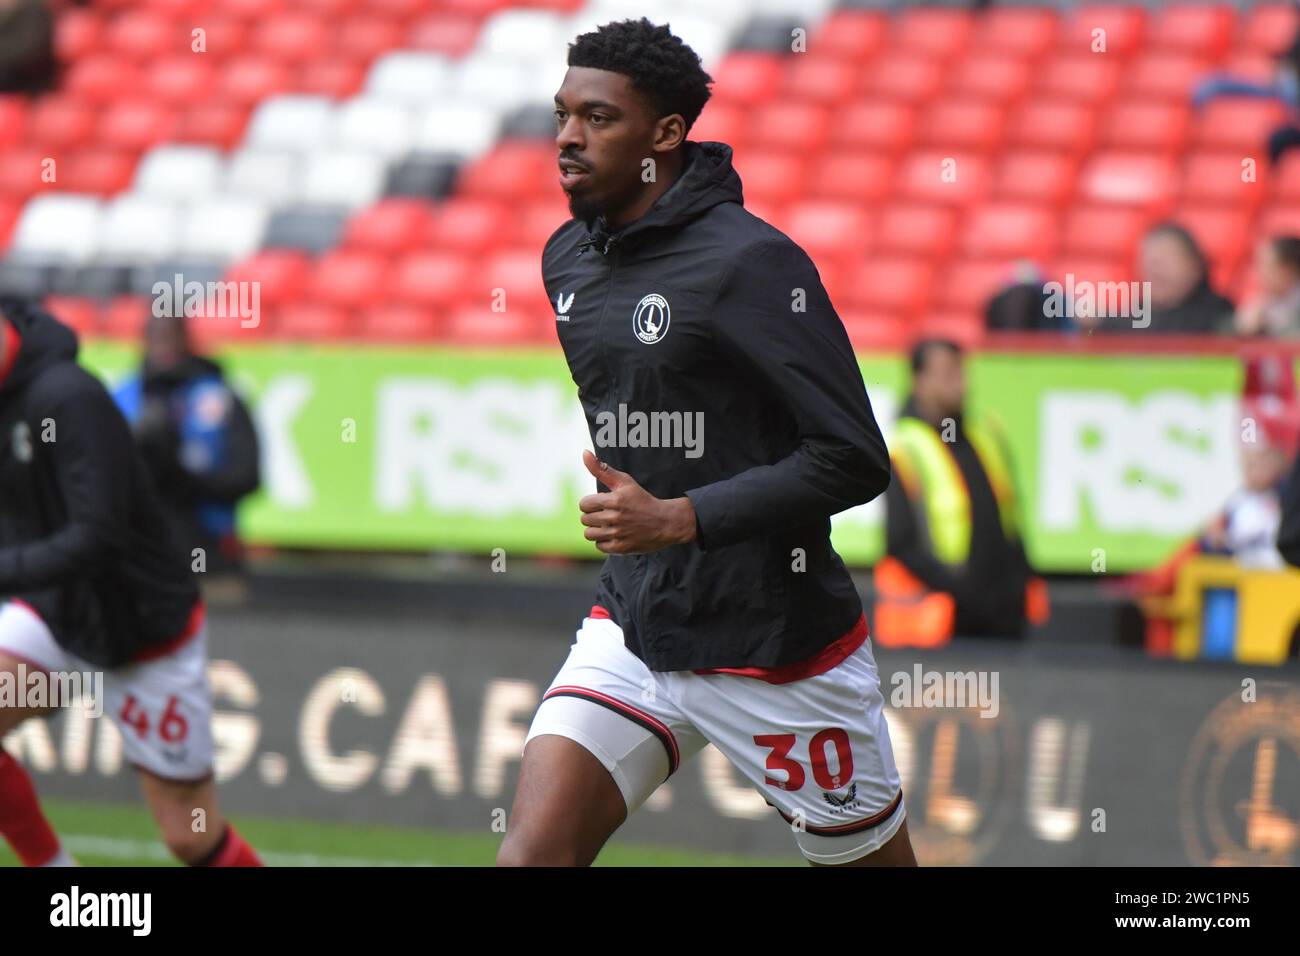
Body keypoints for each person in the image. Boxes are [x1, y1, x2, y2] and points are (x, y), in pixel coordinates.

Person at [499, 18, 913, 867]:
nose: (568, 138)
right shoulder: (567, 258)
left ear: (666, 134)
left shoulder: (752, 265)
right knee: (530, 859)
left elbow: (853, 457)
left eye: (599, 118)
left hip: (773, 649)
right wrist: (654, 538)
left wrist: (682, 518)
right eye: (563, 113)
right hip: (637, 623)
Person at [0, 296, 260, 867]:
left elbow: (97, 537)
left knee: (190, 836)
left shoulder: (67, 397)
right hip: (57, 616)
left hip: (141, 630)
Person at [875, 339, 1045, 646]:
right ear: (920, 381)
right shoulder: (905, 449)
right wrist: (963, 591)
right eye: (947, 372)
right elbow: (900, 543)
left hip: (1004, 619)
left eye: (961, 372)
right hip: (946, 623)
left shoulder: (986, 438)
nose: (960, 382)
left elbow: (1011, 523)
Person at [112, 312, 260, 581]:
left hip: (208, 546)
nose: (162, 346)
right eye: (155, 337)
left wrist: (184, 478)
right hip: (136, 551)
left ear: (186, 339)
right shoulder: (123, 398)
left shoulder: (220, 399)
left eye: (170, 336)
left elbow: (247, 476)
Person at [1100, 223, 1234, 335]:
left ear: (1194, 266)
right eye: (1148, 260)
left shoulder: (1219, 317)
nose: (1155, 269)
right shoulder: (1122, 324)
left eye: (1167, 257)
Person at [1234, 236, 1300, 338]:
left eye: (1266, 266)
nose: (1259, 274)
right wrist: (1242, 328)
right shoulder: (1262, 304)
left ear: (1289, 270)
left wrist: (1265, 328)